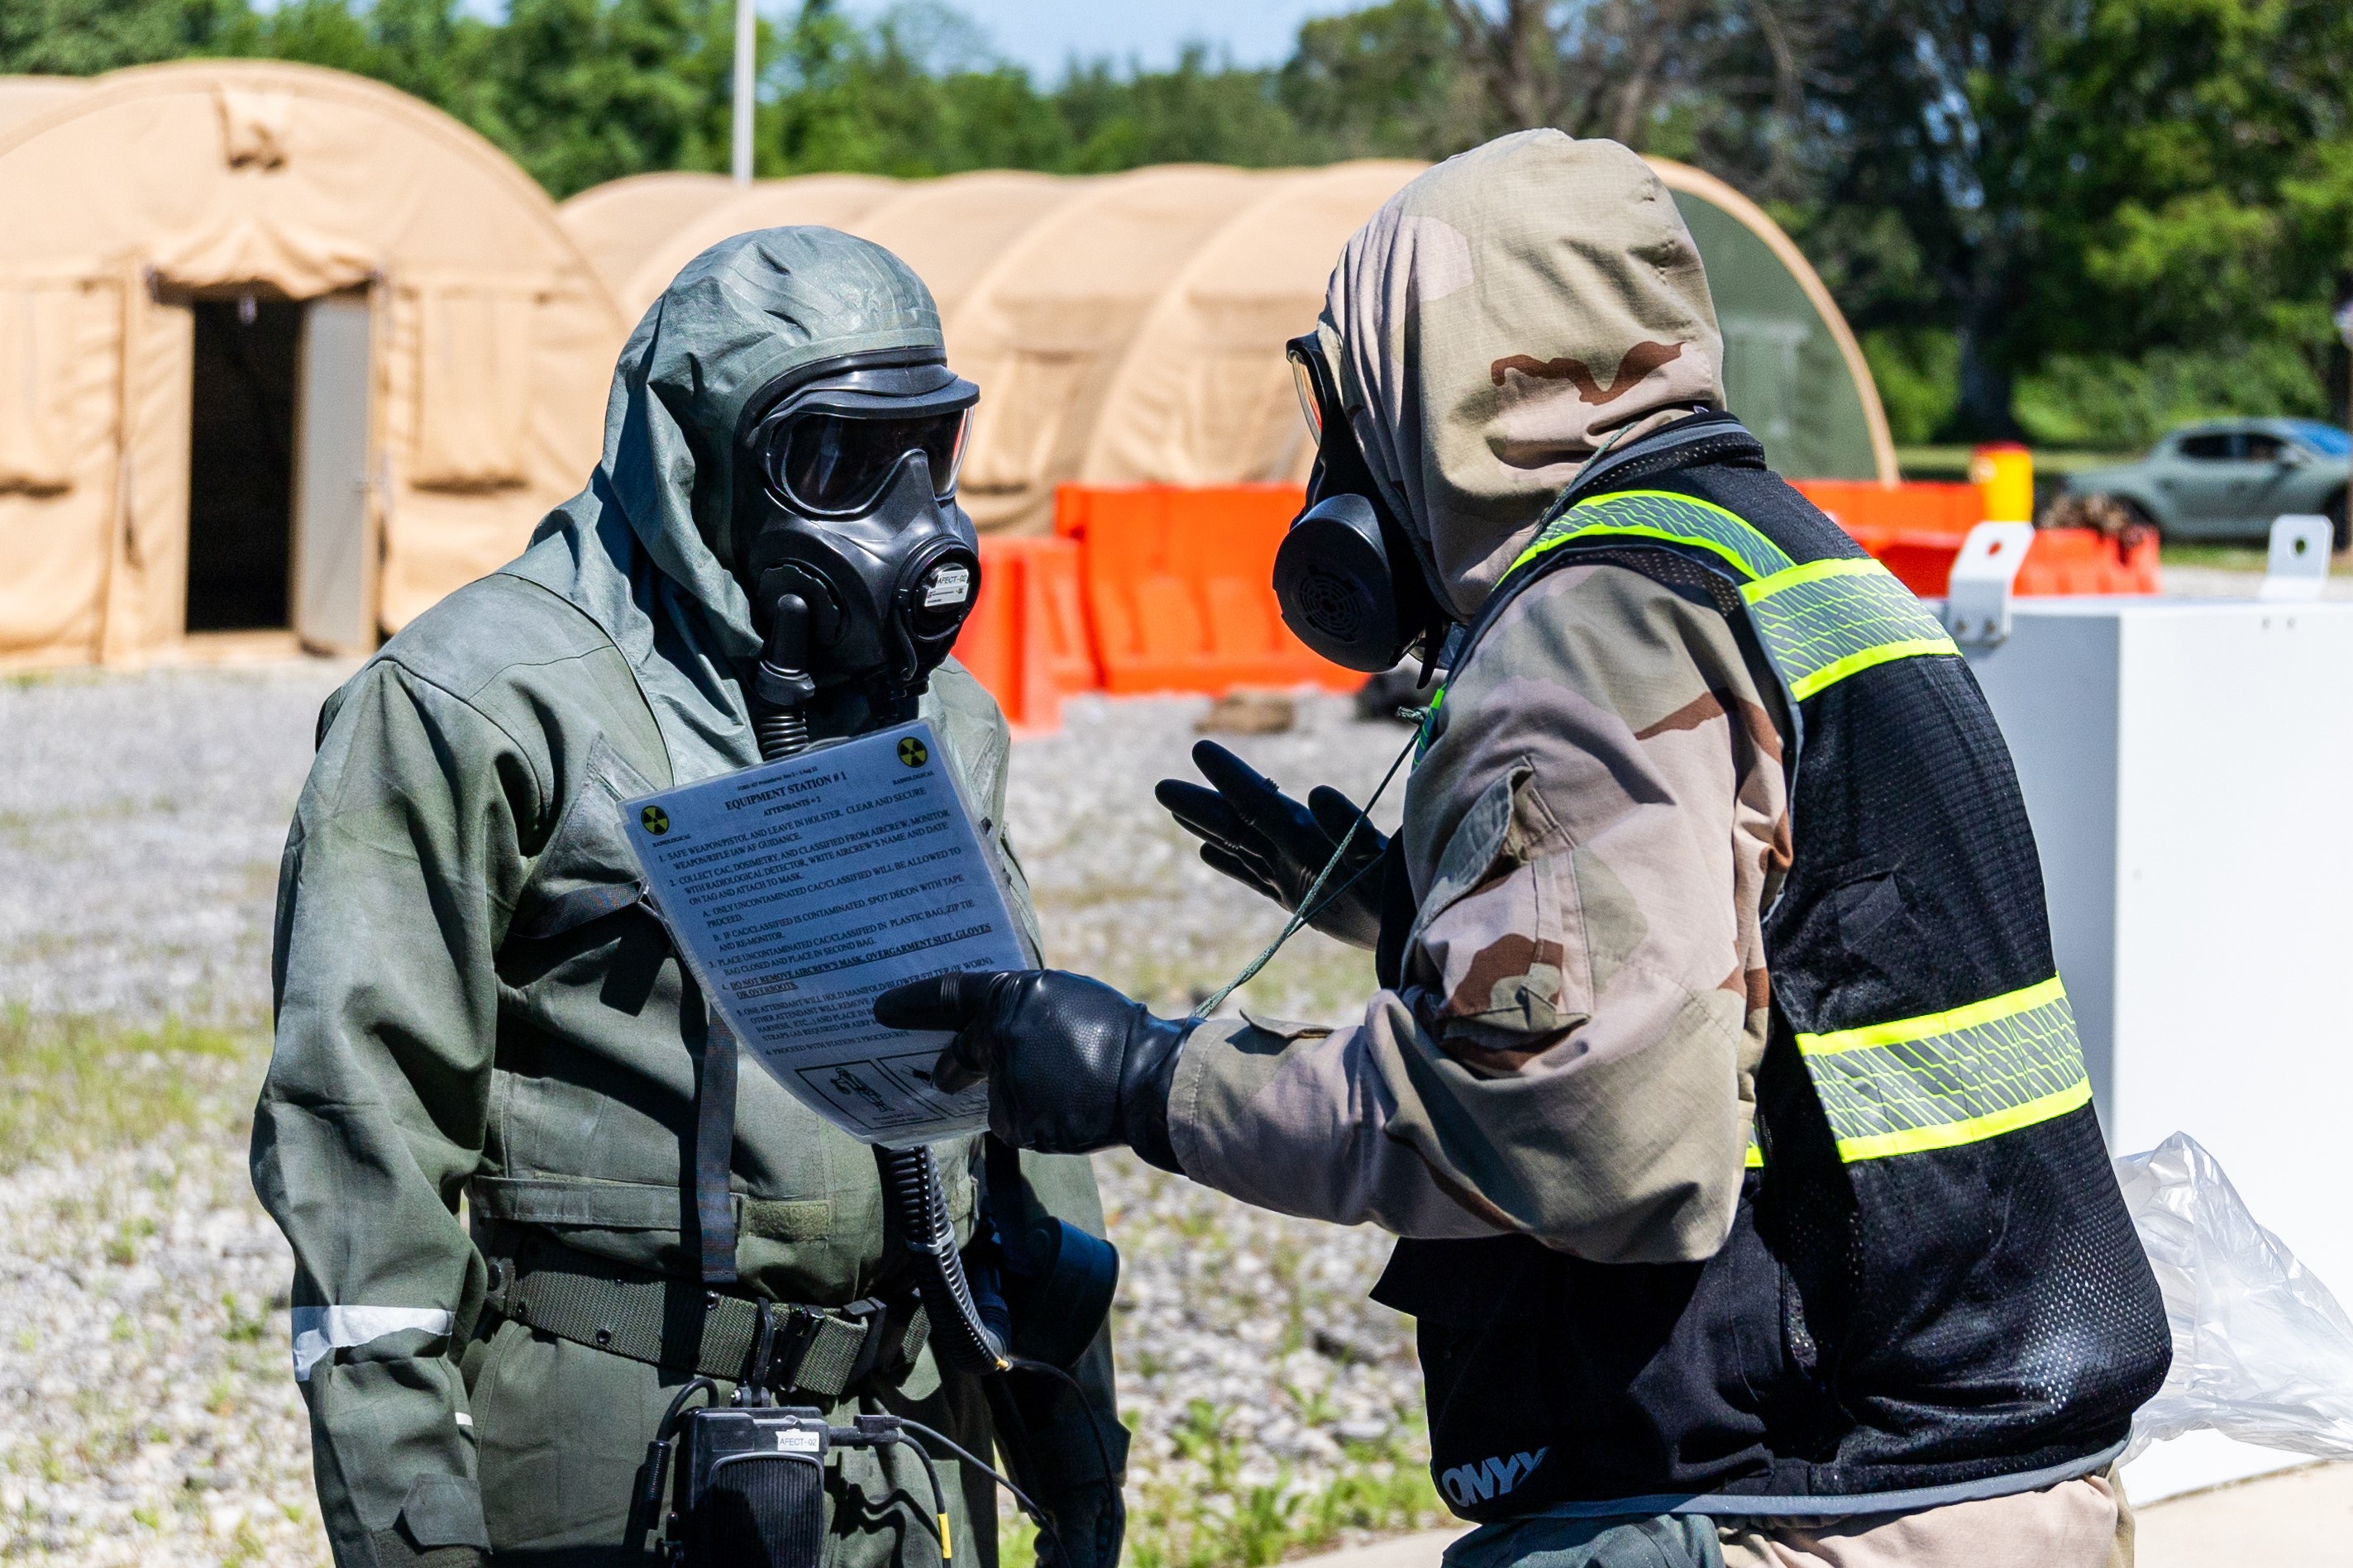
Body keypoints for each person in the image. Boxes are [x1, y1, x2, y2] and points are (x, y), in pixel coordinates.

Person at [875, 131, 2170, 1568]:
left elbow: (1583, 1138)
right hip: (1988, 1477)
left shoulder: (1592, 621)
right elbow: (1800, 958)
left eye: (1355, 408)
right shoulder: (1779, 556)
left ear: (1443, 390)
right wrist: (1433, 914)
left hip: (1804, 1504)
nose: (1337, 468)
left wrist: (1142, 1078)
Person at [254, 229, 1124, 1568]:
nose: (908, 516)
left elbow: (1011, 1108)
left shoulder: (934, 714)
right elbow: (361, 1147)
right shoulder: (485, 699)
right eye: (832, 460)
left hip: (892, 1458)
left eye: (928, 454)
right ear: (695, 458)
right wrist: (414, 1531)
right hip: (604, 1464)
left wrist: (1077, 1465)